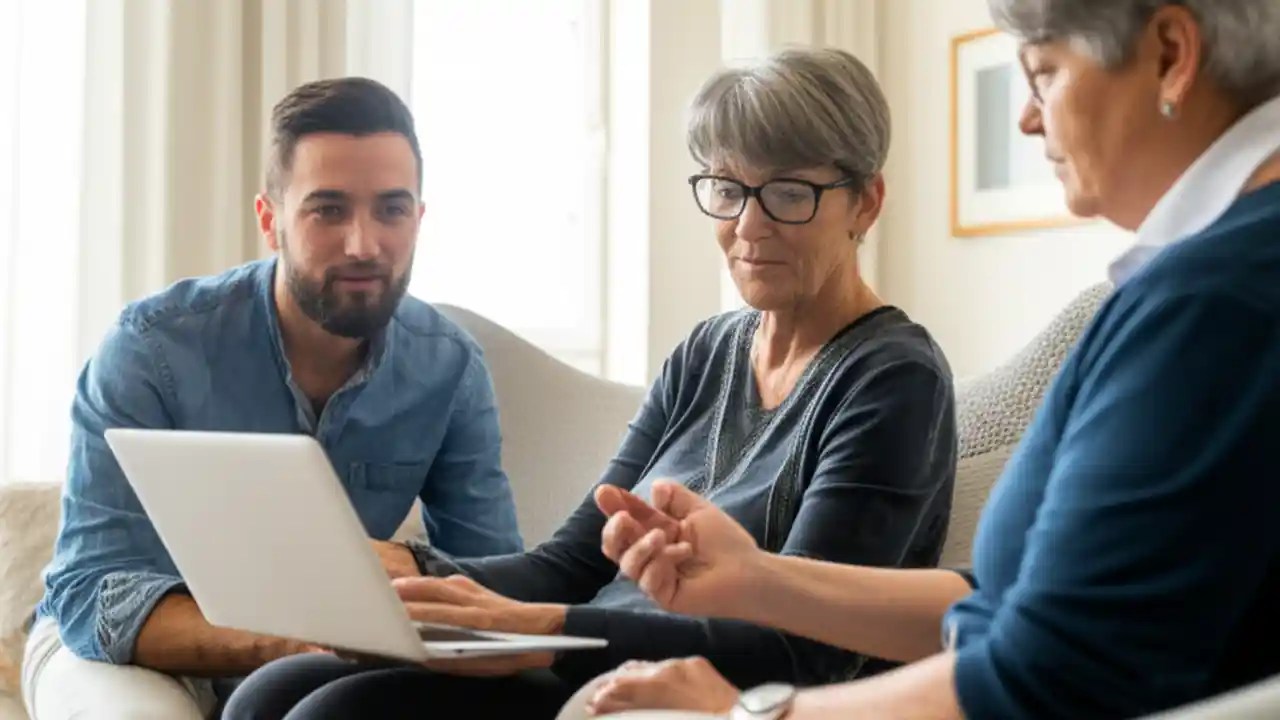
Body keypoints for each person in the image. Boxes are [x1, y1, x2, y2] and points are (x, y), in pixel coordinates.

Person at [582, 1, 1280, 718]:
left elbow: (1051, 675)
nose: (1028, 120)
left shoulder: (1215, 301)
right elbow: (1013, 605)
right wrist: (759, 578)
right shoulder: (1209, 279)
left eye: (1043, 75)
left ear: (1170, 55)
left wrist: (750, 713)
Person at [223, 47, 958, 719]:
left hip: (655, 686)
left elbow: (804, 648)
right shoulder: (707, 351)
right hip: (574, 652)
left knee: (332, 715)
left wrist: (535, 631)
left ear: (866, 201)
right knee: (269, 691)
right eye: (728, 190)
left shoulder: (892, 378)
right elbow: (572, 563)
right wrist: (417, 575)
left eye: (789, 194)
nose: (748, 226)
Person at [21, 77, 524, 720]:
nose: (364, 245)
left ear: (419, 218)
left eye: (391, 210)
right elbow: (92, 596)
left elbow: (496, 583)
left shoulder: (449, 368)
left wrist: (407, 579)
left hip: (324, 652)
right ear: (270, 220)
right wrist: (289, 640)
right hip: (119, 645)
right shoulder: (151, 348)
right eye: (329, 210)